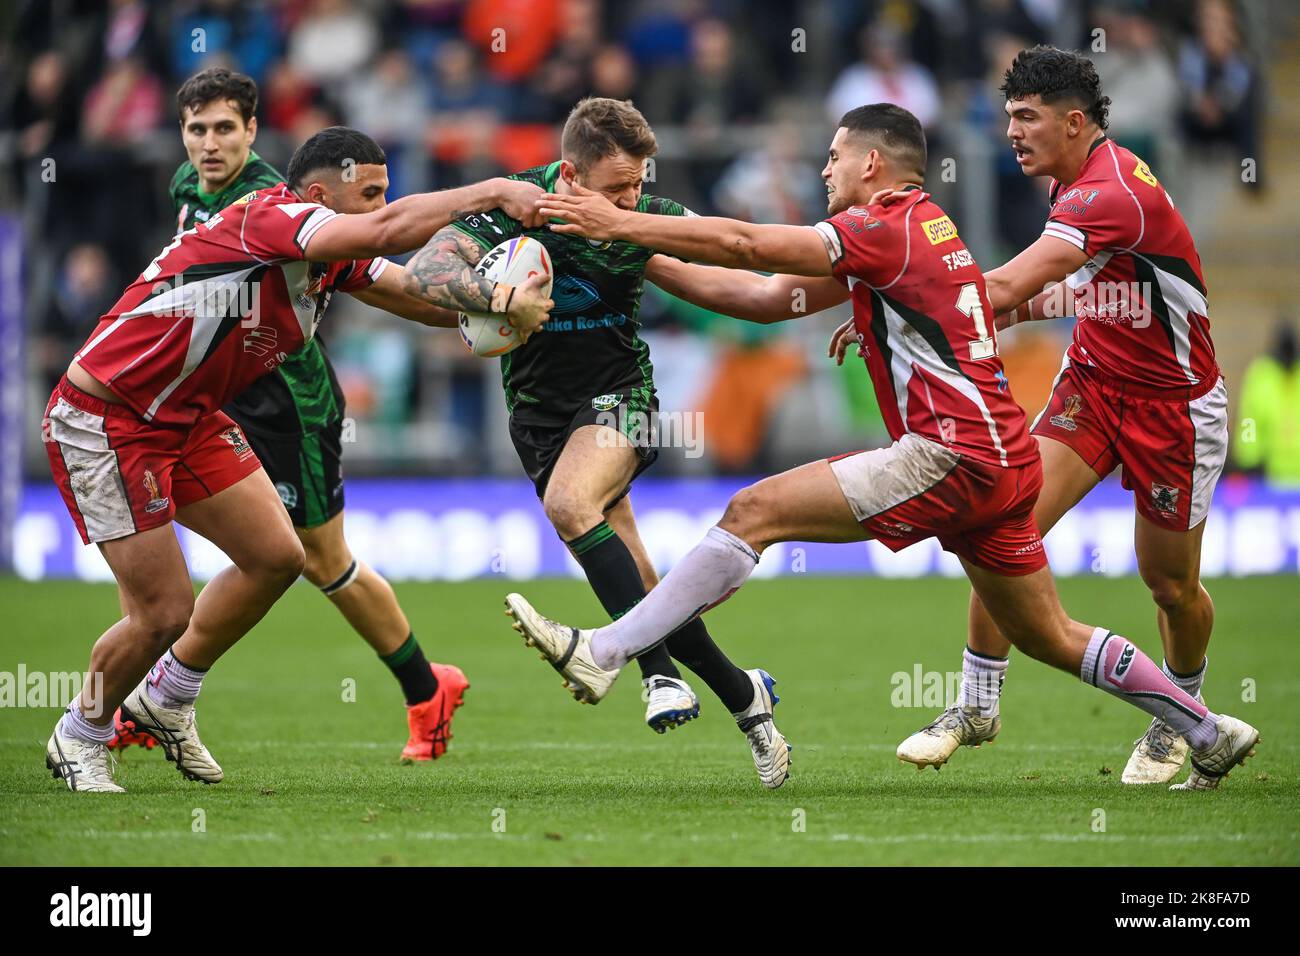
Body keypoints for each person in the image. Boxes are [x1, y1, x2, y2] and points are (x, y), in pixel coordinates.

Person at [506, 102, 1259, 793]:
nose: (825, 167)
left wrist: (624, 226)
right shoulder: (930, 227)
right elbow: (778, 299)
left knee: (753, 510)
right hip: (1003, 462)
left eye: (835, 155)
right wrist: (875, 319)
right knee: (1049, 635)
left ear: (872, 164)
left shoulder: (881, 226)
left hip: (950, 453)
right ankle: (1206, 728)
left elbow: (745, 243)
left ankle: (606, 653)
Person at [42, 125, 551, 792]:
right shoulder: (271, 218)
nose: (380, 204)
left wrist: (498, 304)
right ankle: (80, 733)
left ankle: (166, 699)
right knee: (163, 612)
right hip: (108, 419)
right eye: (368, 193)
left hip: (186, 419)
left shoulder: (331, 254)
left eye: (384, 191)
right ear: (318, 196)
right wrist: (491, 189)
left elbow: (416, 295)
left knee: (279, 557)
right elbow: (388, 230)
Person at [402, 96, 789, 788]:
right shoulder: (517, 210)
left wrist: (838, 281)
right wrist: (498, 300)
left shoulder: (648, 219)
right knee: (643, 585)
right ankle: (745, 697)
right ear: (570, 177)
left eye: (640, 183)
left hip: (626, 400)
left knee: (570, 504)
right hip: (538, 419)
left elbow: (740, 269)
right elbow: (426, 272)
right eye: (618, 188)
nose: (632, 199)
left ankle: (644, 673)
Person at [877, 45, 1231, 785]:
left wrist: (903, 307)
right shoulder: (1073, 183)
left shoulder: (1107, 192)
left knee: (1169, 585)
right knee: (1003, 524)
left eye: (1025, 117)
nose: (1012, 130)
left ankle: (1182, 714)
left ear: (1074, 123)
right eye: (1009, 115)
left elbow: (1007, 281)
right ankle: (976, 706)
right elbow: (1075, 291)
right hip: (1094, 388)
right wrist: (995, 313)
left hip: (1176, 408)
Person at [106, 67, 476, 764]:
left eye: (225, 129)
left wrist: (465, 316)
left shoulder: (276, 203)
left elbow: (373, 276)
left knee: (318, 559)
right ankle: (155, 696)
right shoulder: (188, 187)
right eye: (196, 129)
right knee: (263, 556)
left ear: (253, 131)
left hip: (288, 406)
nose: (210, 144)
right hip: (213, 398)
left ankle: (427, 689)